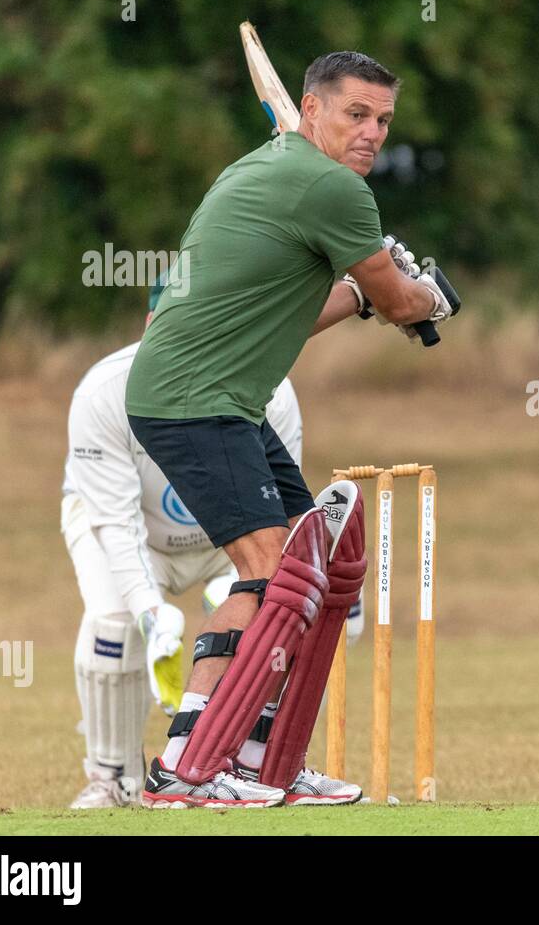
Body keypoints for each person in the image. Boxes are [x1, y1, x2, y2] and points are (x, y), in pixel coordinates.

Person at [126, 48, 451, 807]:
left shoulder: (264, 169)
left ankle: (263, 755)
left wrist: (368, 294)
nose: (371, 132)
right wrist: (427, 296)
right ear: (309, 110)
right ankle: (190, 761)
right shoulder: (334, 192)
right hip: (193, 398)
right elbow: (405, 303)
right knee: (273, 576)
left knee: (315, 568)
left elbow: (289, 317)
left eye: (383, 120)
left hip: (219, 395)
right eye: (355, 114)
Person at [62, 281, 356, 807]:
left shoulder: (272, 389)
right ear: (152, 325)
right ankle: (113, 778)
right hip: (127, 534)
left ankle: (254, 762)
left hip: (223, 533)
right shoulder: (102, 392)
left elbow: (275, 513)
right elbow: (116, 525)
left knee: (275, 612)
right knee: (111, 625)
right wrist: (151, 614)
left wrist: (279, 593)